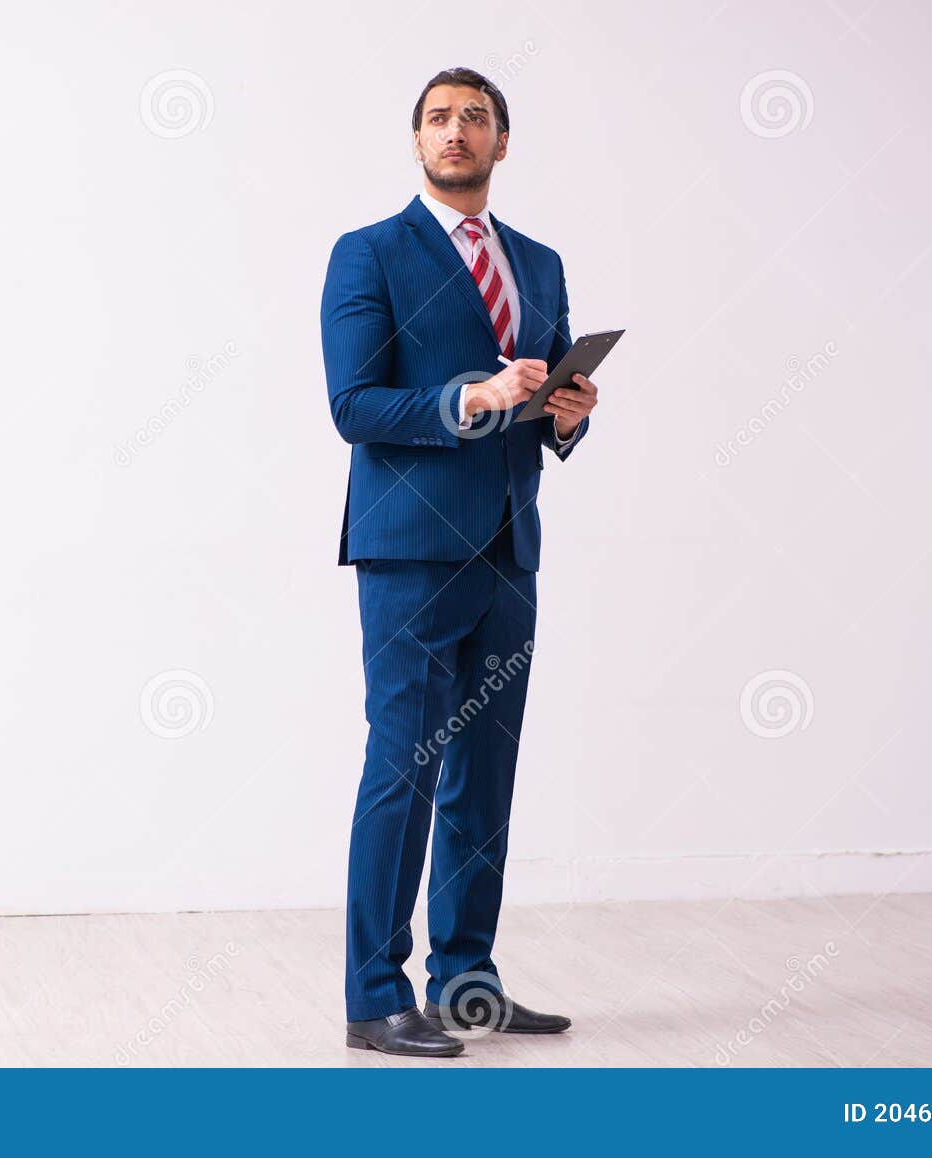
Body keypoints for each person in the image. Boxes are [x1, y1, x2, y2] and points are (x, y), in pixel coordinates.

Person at [321, 66, 600, 1058]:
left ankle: (466, 984)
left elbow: (546, 393)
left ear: (501, 142)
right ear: (416, 141)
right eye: (438, 118)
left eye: (473, 118)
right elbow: (353, 405)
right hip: (408, 551)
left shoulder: (539, 261)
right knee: (402, 766)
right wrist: (470, 398)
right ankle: (372, 997)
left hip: (507, 549)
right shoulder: (369, 255)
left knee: (483, 774)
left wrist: (564, 414)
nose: (455, 131)